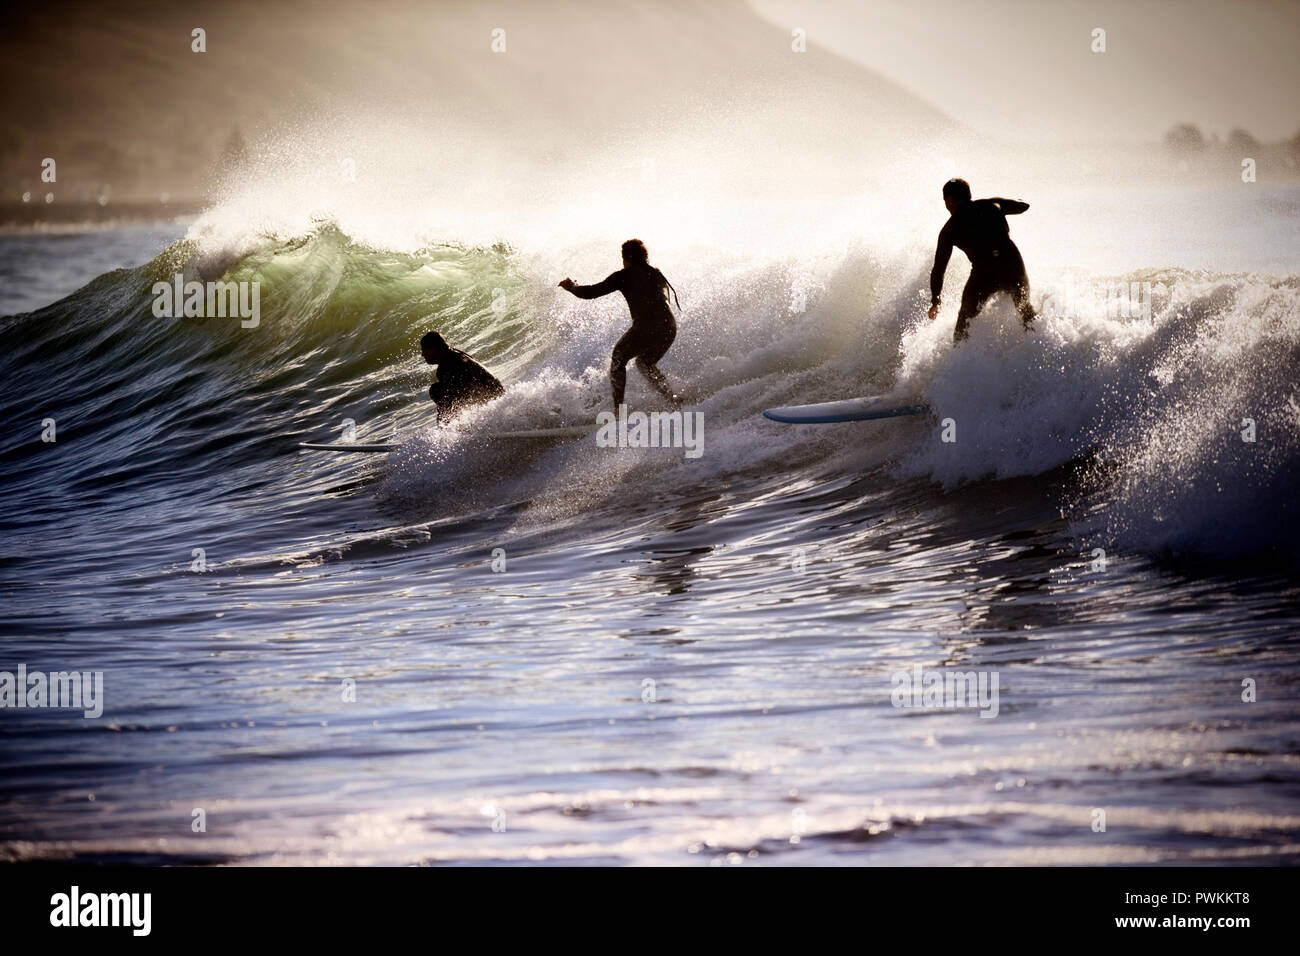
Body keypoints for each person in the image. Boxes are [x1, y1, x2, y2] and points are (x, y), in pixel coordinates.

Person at [558, 239, 682, 410]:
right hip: (669, 327)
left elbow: (591, 292)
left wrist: (572, 286)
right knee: (644, 363)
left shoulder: (624, 275)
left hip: (648, 325)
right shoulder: (655, 272)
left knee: (618, 356)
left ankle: (618, 410)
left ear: (628, 258)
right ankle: (673, 399)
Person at [927, 178, 1037, 343]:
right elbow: (1023, 206)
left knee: (963, 323)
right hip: (1012, 265)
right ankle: (1042, 348)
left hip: (984, 274)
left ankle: (961, 362)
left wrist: (936, 300)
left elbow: (939, 269)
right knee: (1026, 312)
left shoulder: (949, 230)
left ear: (950, 200)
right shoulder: (993, 205)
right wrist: (1019, 200)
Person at [420, 330, 504, 423]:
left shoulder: (452, 362)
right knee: (442, 391)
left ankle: (452, 429)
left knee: (435, 390)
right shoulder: (453, 356)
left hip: (494, 398)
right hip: (497, 397)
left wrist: (443, 422)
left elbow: (458, 395)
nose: (422, 354)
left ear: (433, 348)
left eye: (424, 349)